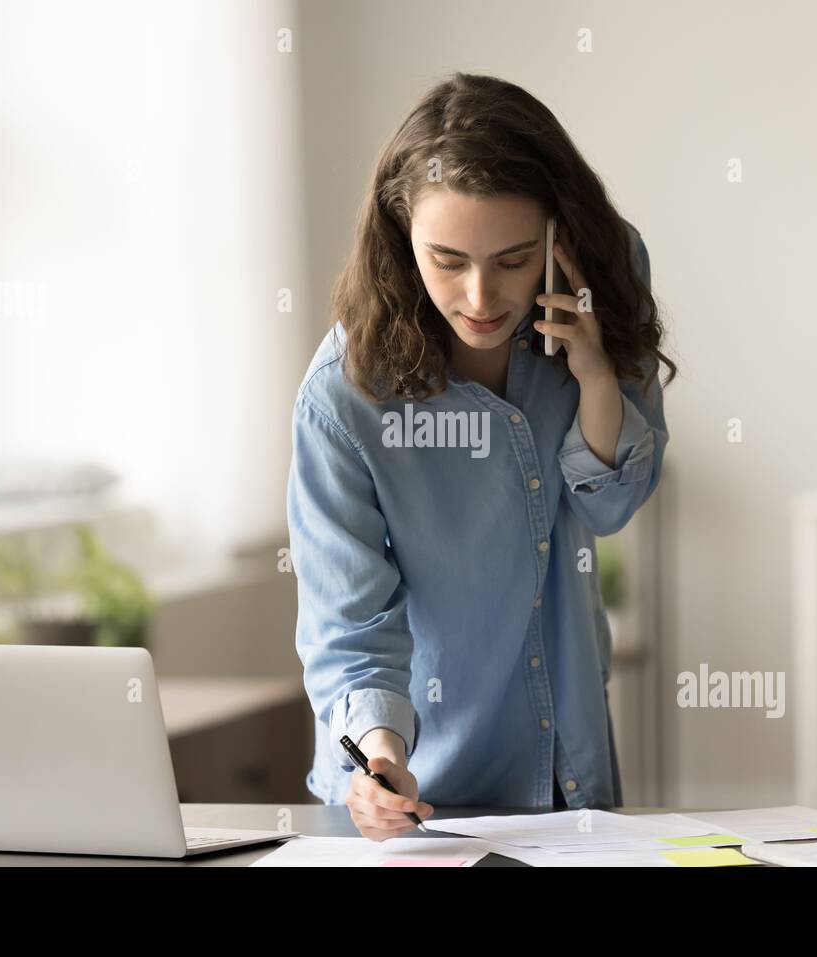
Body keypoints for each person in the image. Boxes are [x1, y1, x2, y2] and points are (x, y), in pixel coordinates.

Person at [287, 72, 675, 841]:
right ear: (402, 236)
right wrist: (381, 758)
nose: (479, 295)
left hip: (570, 781)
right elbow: (350, 629)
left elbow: (610, 503)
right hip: (417, 802)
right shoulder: (343, 398)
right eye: (447, 259)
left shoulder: (606, 281)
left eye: (514, 257)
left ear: (559, 236)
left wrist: (595, 373)